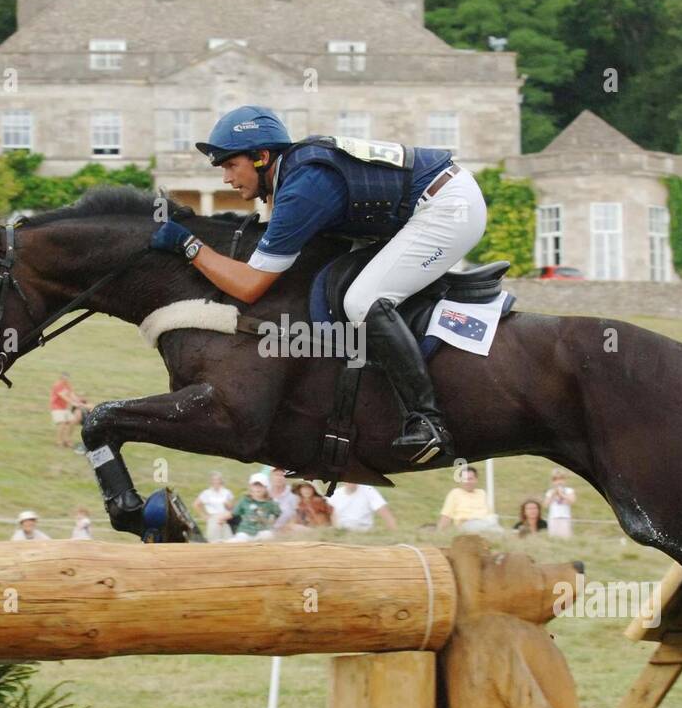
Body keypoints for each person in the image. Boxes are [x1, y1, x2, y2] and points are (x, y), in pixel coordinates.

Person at [150, 106, 488, 467]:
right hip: (431, 202)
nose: (227, 179)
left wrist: (189, 246)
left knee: (363, 300)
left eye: (231, 165)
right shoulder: (297, 175)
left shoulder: (303, 188)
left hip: (447, 209)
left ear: (262, 158)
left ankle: (427, 420)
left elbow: (249, 286)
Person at [437, 466, 502, 534]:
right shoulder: (455, 493)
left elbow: (490, 513)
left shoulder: (482, 493)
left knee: (493, 520)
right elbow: (446, 516)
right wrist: (439, 533)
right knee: (494, 529)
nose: (467, 482)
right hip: (466, 523)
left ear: (476, 479)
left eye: (470, 479)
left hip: (486, 522)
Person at [226, 473, 282, 542]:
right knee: (237, 541)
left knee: (268, 535)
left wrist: (272, 522)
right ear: (250, 487)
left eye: (261, 486)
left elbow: (278, 513)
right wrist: (221, 518)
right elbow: (233, 513)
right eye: (255, 486)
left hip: (261, 531)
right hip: (245, 531)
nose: (258, 489)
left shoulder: (270, 503)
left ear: (266, 488)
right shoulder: (245, 500)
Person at [326, 482, 397, 532]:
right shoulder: (336, 494)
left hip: (362, 532)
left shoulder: (368, 490)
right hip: (342, 532)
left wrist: (393, 531)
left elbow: (385, 512)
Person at [50, 373, 90, 450]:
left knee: (72, 421)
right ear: (61, 378)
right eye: (64, 378)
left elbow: (71, 394)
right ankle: (59, 442)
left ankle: (67, 440)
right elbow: (63, 396)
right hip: (57, 408)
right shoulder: (57, 385)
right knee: (62, 424)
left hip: (64, 408)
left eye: (67, 378)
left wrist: (78, 401)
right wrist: (73, 403)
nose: (66, 379)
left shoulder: (67, 385)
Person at [193, 472, 235, 542]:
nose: (216, 482)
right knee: (214, 540)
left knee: (228, 540)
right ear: (211, 482)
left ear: (221, 481)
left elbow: (232, 508)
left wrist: (227, 504)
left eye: (218, 480)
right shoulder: (207, 493)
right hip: (213, 517)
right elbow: (196, 504)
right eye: (214, 480)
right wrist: (203, 516)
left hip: (225, 518)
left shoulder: (226, 492)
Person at [544, 469, 576, 539]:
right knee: (553, 537)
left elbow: (572, 501)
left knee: (565, 538)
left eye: (561, 479)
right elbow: (546, 505)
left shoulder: (569, 490)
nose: (559, 482)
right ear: (553, 481)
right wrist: (553, 494)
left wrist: (562, 495)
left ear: (565, 480)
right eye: (556, 480)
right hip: (553, 518)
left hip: (565, 517)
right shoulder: (550, 492)